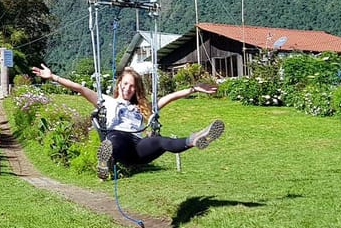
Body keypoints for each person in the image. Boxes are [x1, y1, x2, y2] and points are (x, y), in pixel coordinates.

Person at [31, 64, 223, 180]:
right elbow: (79, 88)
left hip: (138, 150)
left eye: (132, 86)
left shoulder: (143, 107)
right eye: (125, 84)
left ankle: (195, 139)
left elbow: (169, 98)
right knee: (115, 139)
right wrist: (53, 77)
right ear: (119, 84)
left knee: (160, 140)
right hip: (119, 144)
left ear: (136, 89)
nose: (128, 89)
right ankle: (105, 160)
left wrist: (193, 89)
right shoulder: (106, 101)